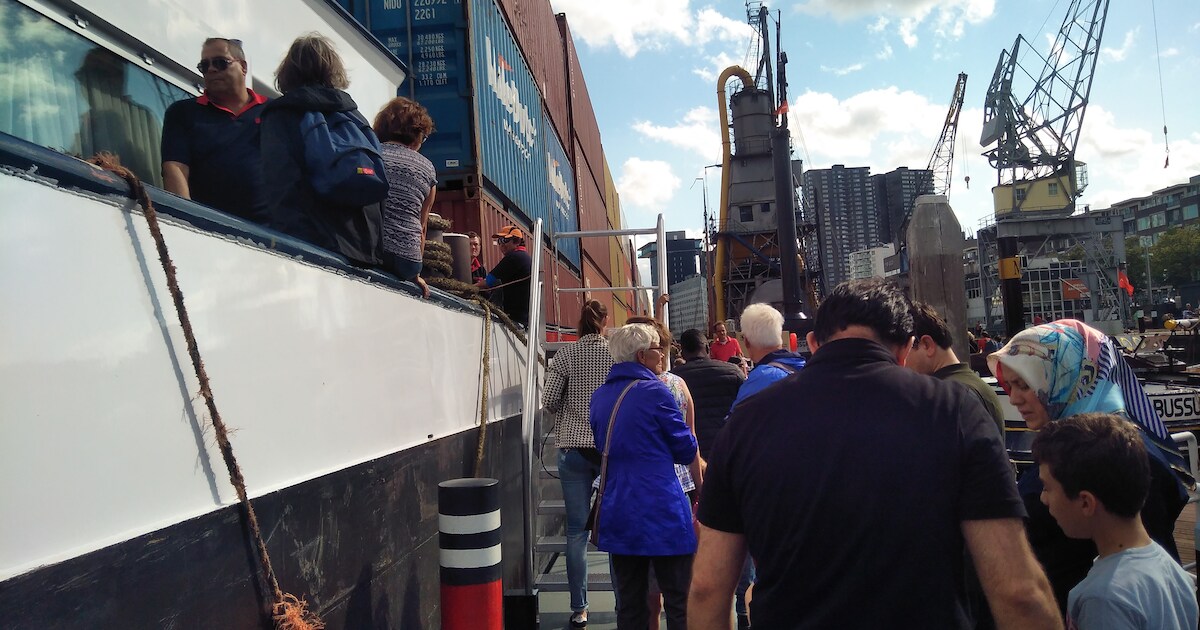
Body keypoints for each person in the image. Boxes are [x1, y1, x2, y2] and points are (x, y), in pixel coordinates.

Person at [690, 279, 1061, 629]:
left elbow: (708, 588)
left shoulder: (746, 422)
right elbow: (1017, 591)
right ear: (905, 349)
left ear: (814, 343)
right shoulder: (954, 410)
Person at [988, 319, 1190, 616]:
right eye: (1010, 386)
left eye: (1025, 385)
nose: (1015, 398)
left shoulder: (1105, 453)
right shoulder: (1110, 441)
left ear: (1063, 376)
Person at [1033, 413, 1198, 629]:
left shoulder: (1102, 599)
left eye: (1047, 488)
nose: (1042, 498)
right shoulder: (1175, 573)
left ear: (1085, 503)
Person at [591, 324, 698, 630]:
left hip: (618, 508)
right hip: (661, 507)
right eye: (656, 348)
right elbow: (685, 448)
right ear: (642, 356)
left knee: (630, 602)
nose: (662, 353)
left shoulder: (600, 396)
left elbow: (602, 445)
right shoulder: (655, 392)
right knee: (679, 599)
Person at [260, 33, 383, 266]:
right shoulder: (356, 118)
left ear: (287, 71)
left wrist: (289, 247)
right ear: (332, 70)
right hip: (365, 251)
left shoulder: (282, 115)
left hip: (312, 249)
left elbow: (280, 184)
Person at [541, 300, 613, 629]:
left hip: (573, 448)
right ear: (604, 323)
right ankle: (625, 602)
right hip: (609, 450)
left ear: (580, 323)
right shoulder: (616, 353)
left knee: (575, 533)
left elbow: (550, 400)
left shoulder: (567, 355)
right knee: (615, 529)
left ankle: (580, 609)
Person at [161, 37, 269, 223]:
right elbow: (175, 168)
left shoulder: (274, 112)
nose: (211, 69)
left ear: (243, 67)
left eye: (220, 63)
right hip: (210, 228)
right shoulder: (183, 113)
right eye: (204, 65)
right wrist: (185, 220)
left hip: (272, 236)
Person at [907, 302, 1005, 435]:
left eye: (904, 349)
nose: (898, 361)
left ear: (926, 345)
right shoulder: (975, 386)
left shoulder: (944, 397)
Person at [372, 96, 436, 298]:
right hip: (406, 260)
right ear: (417, 136)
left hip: (369, 252)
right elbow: (422, 227)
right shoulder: (428, 169)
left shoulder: (371, 154)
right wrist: (415, 273)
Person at [670, 329, 744, 460]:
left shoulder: (673, 380)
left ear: (683, 353)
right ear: (707, 348)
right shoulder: (733, 372)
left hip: (693, 454)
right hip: (730, 448)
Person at [730, 303, 806, 409]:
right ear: (779, 335)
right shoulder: (806, 368)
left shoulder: (758, 381)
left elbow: (735, 423)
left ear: (746, 342)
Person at [474, 225, 532, 327]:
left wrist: (466, 288)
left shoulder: (514, 257)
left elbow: (489, 282)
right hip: (525, 318)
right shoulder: (525, 257)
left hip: (516, 319)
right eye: (499, 241)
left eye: (505, 240)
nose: (501, 245)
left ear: (516, 241)